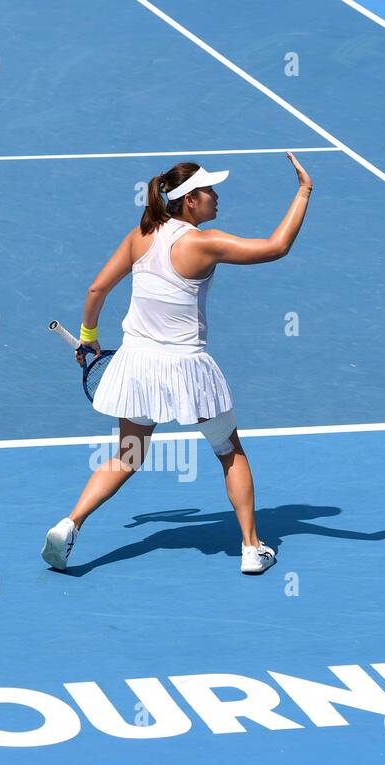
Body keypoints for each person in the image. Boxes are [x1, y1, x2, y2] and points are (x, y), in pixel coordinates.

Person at [41, 153, 314, 574]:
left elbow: (97, 289)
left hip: (135, 365)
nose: (216, 197)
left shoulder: (140, 236)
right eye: (210, 191)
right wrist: (303, 191)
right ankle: (251, 548)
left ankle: (70, 523)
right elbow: (277, 247)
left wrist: (90, 338)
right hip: (187, 368)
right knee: (228, 450)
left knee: (128, 455)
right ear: (190, 201)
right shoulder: (205, 243)